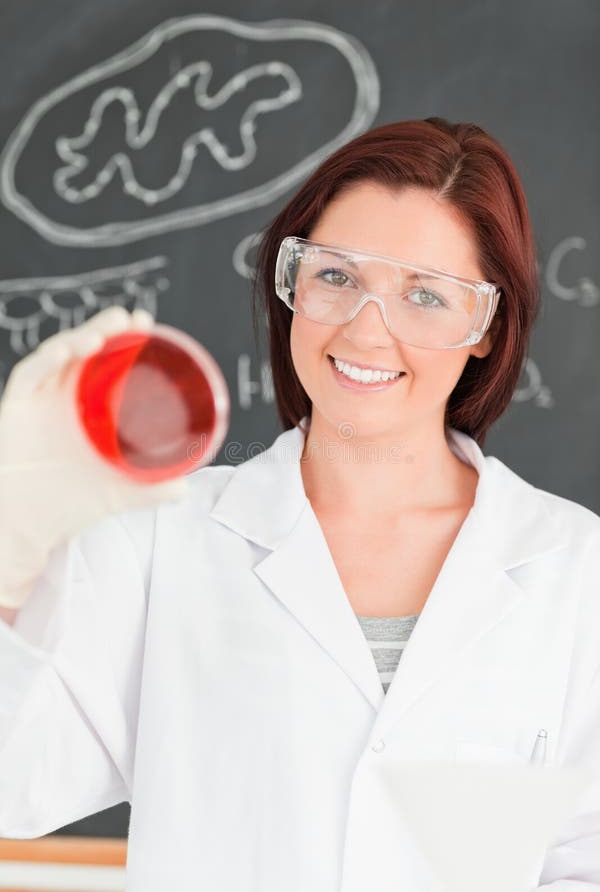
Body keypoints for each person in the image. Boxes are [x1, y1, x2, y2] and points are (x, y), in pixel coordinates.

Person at [0, 117, 599, 891]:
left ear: (485, 327)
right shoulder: (159, 541)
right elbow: (15, 776)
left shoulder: (574, 570)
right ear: (292, 284)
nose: (365, 330)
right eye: (337, 277)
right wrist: (10, 551)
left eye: (424, 294)